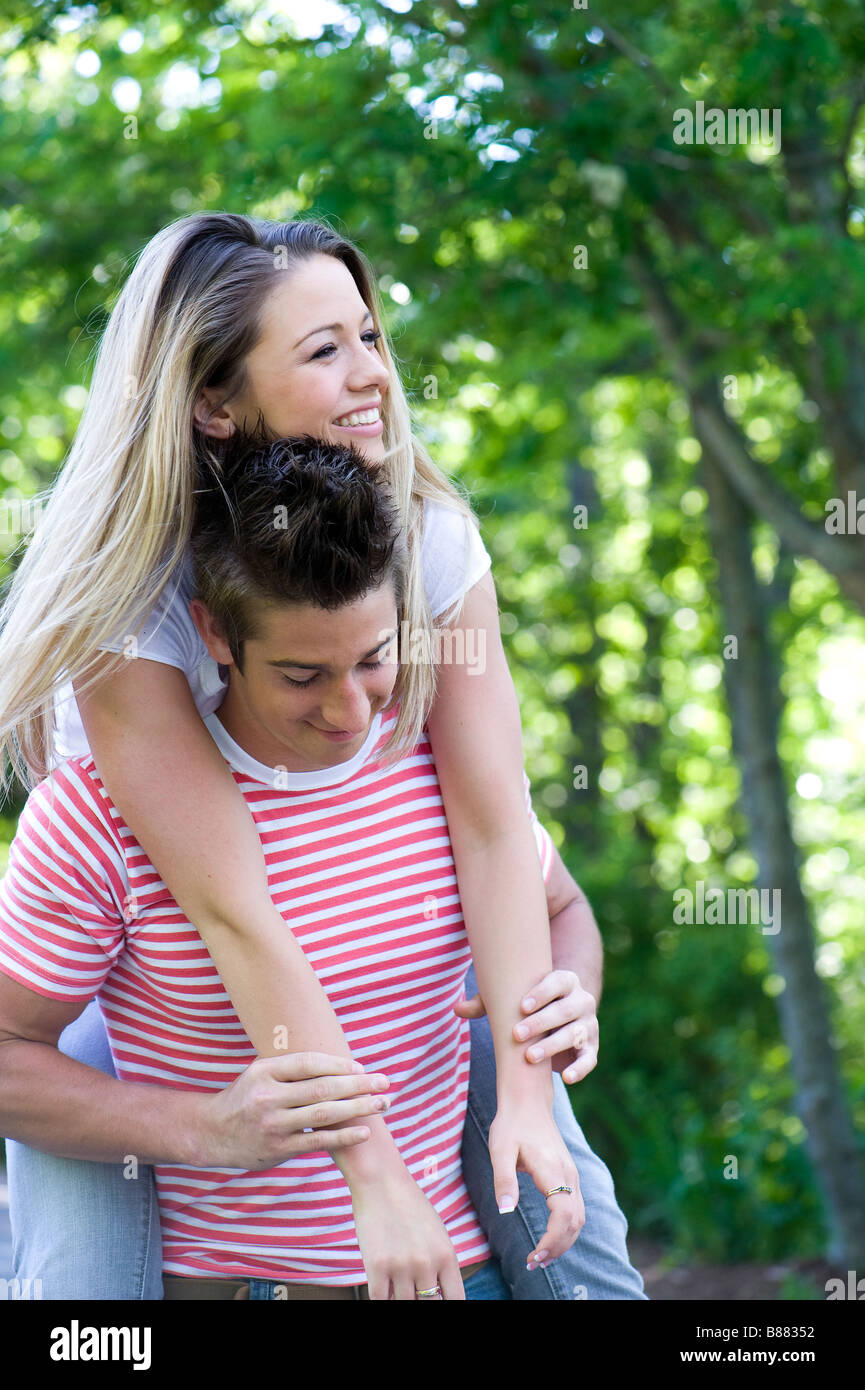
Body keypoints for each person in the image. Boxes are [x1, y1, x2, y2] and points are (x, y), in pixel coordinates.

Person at [0, 212, 645, 1298]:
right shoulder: (129, 600)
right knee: (86, 1288)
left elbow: (490, 822)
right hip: (169, 1003)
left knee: (575, 1248)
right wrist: (370, 1174)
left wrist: (528, 1095)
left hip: (387, 984)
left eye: (370, 337)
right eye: (323, 350)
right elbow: (233, 904)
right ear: (212, 401)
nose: (374, 377)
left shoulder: (426, 536)